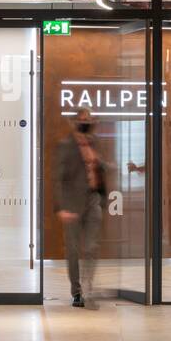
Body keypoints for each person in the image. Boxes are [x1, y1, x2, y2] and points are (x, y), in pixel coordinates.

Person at [54, 107, 110, 308]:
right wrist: (61, 207)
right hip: (72, 205)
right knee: (73, 250)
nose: (87, 121)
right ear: (75, 121)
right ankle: (77, 292)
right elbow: (59, 179)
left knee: (91, 247)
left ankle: (88, 286)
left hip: (93, 200)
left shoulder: (94, 143)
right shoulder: (65, 145)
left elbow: (100, 168)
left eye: (89, 118)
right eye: (83, 119)